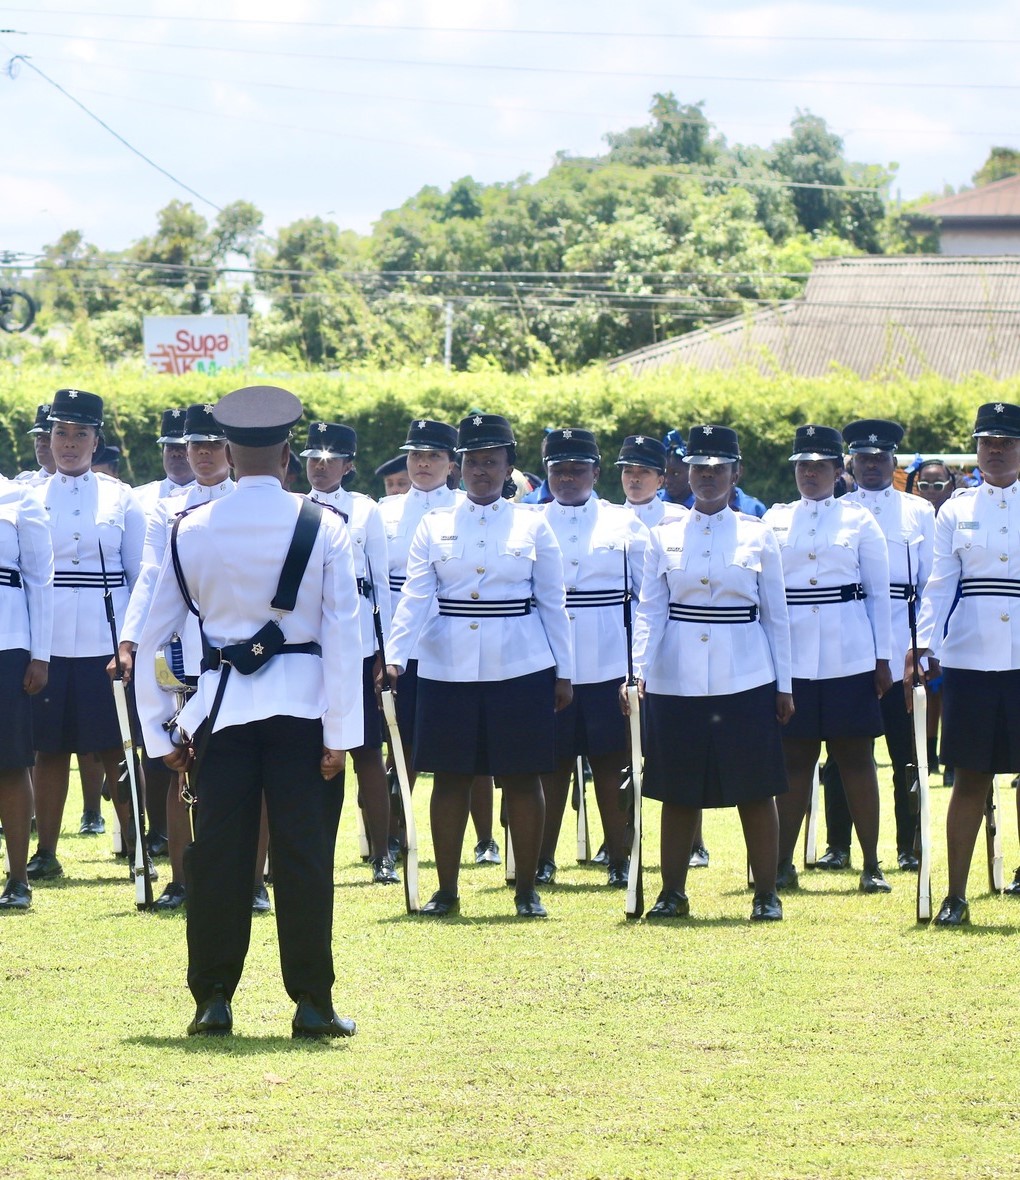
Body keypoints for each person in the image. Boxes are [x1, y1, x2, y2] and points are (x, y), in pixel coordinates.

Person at [135, 384, 363, 1037]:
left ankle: (212, 1001)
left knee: (218, 860)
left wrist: (160, 731)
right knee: (305, 859)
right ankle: (312, 1004)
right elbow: (343, 636)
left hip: (222, 712)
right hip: (305, 713)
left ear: (230, 455)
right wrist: (342, 733)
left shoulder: (190, 528)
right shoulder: (326, 525)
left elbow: (154, 635)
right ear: (288, 456)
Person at [385, 413, 573, 918]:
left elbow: (552, 602)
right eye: (473, 462)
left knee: (523, 778)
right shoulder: (434, 525)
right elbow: (416, 596)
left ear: (509, 468)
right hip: (448, 668)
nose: (481, 471)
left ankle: (526, 889)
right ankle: (446, 890)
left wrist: (565, 671)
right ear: (458, 468)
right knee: (449, 778)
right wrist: (396, 657)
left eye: (492, 462)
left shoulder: (534, 524)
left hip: (521, 666)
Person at [630, 425, 792, 920]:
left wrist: (784, 685)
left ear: (735, 473)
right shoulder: (663, 534)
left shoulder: (758, 533)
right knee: (676, 789)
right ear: (686, 472)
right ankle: (672, 892)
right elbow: (650, 609)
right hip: (676, 677)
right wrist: (637, 671)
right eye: (699, 467)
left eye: (718, 468)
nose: (708, 476)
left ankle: (766, 893)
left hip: (745, 677)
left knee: (755, 789)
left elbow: (776, 616)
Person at [763, 425, 893, 895]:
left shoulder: (859, 520)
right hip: (794, 657)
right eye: (803, 465)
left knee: (856, 759)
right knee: (795, 759)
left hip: (848, 655)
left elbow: (878, 593)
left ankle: (872, 863)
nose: (810, 473)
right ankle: (781, 863)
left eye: (820, 465)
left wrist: (882, 658)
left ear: (839, 470)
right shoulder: (775, 519)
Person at [28, 388, 148, 883]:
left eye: (80, 434)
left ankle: (138, 846)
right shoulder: (29, 496)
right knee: (49, 748)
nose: (69, 443)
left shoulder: (122, 497)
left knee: (116, 747)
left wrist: (130, 643)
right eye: (61, 433)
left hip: (106, 641)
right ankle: (45, 851)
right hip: (49, 642)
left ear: (96, 441)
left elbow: (140, 576)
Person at [907, 402, 1020, 926]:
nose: (995, 450)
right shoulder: (955, 510)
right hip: (971, 657)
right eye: (987, 442)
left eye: (1007, 442)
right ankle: (955, 895)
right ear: (975, 449)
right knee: (970, 776)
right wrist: (923, 644)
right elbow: (939, 583)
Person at [120, 404, 235, 912]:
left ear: (229, 449)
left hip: (235, 650)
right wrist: (129, 640)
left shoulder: (246, 502)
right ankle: (181, 879)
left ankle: (249, 880)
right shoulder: (166, 510)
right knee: (180, 765)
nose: (203, 454)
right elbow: (149, 577)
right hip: (179, 649)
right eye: (195, 445)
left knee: (240, 766)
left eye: (213, 444)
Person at [378, 418, 500, 865]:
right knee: (401, 746)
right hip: (403, 649)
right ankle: (394, 835)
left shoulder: (466, 509)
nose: (423, 464)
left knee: (475, 750)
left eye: (434, 456)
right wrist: (385, 650)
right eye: (416, 455)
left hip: (455, 646)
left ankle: (485, 838)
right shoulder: (384, 512)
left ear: (452, 464)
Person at [816, 421, 935, 872]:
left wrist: (923, 648)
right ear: (850, 463)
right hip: (850, 647)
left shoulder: (918, 512)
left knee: (907, 755)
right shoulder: (836, 510)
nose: (871, 466)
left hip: (903, 645)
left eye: (880, 458)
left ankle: (909, 846)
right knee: (843, 752)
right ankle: (839, 845)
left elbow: (930, 585)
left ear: (894, 462)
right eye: (863, 459)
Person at [535, 429, 650, 889]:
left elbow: (646, 598)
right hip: (550, 662)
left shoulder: (625, 524)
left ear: (596, 473)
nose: (567, 478)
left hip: (609, 662)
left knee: (612, 764)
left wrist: (636, 666)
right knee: (551, 765)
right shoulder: (532, 522)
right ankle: (541, 859)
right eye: (558, 470)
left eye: (577, 470)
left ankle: (620, 857)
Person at [302, 422, 396, 884]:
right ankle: (305, 853)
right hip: (307, 645)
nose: (320, 466)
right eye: (313, 458)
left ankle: (382, 853)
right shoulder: (294, 507)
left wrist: (384, 651)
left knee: (366, 752)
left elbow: (381, 584)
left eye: (331, 458)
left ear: (349, 465)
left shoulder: (366, 509)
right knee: (306, 753)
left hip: (357, 643)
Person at [0, 476, 54, 910]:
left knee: (11, 762)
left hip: (8, 645)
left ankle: (18, 878)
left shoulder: (19, 498)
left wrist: (41, 655)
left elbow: (39, 579)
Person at [133, 409, 195, 516]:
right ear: (162, 451)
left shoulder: (214, 496)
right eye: (170, 447)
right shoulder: (138, 498)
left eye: (182, 447)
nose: (176, 453)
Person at [15, 404, 56, 486]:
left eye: (48, 437)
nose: (42, 443)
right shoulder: (23, 481)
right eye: (38, 436)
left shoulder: (77, 484)